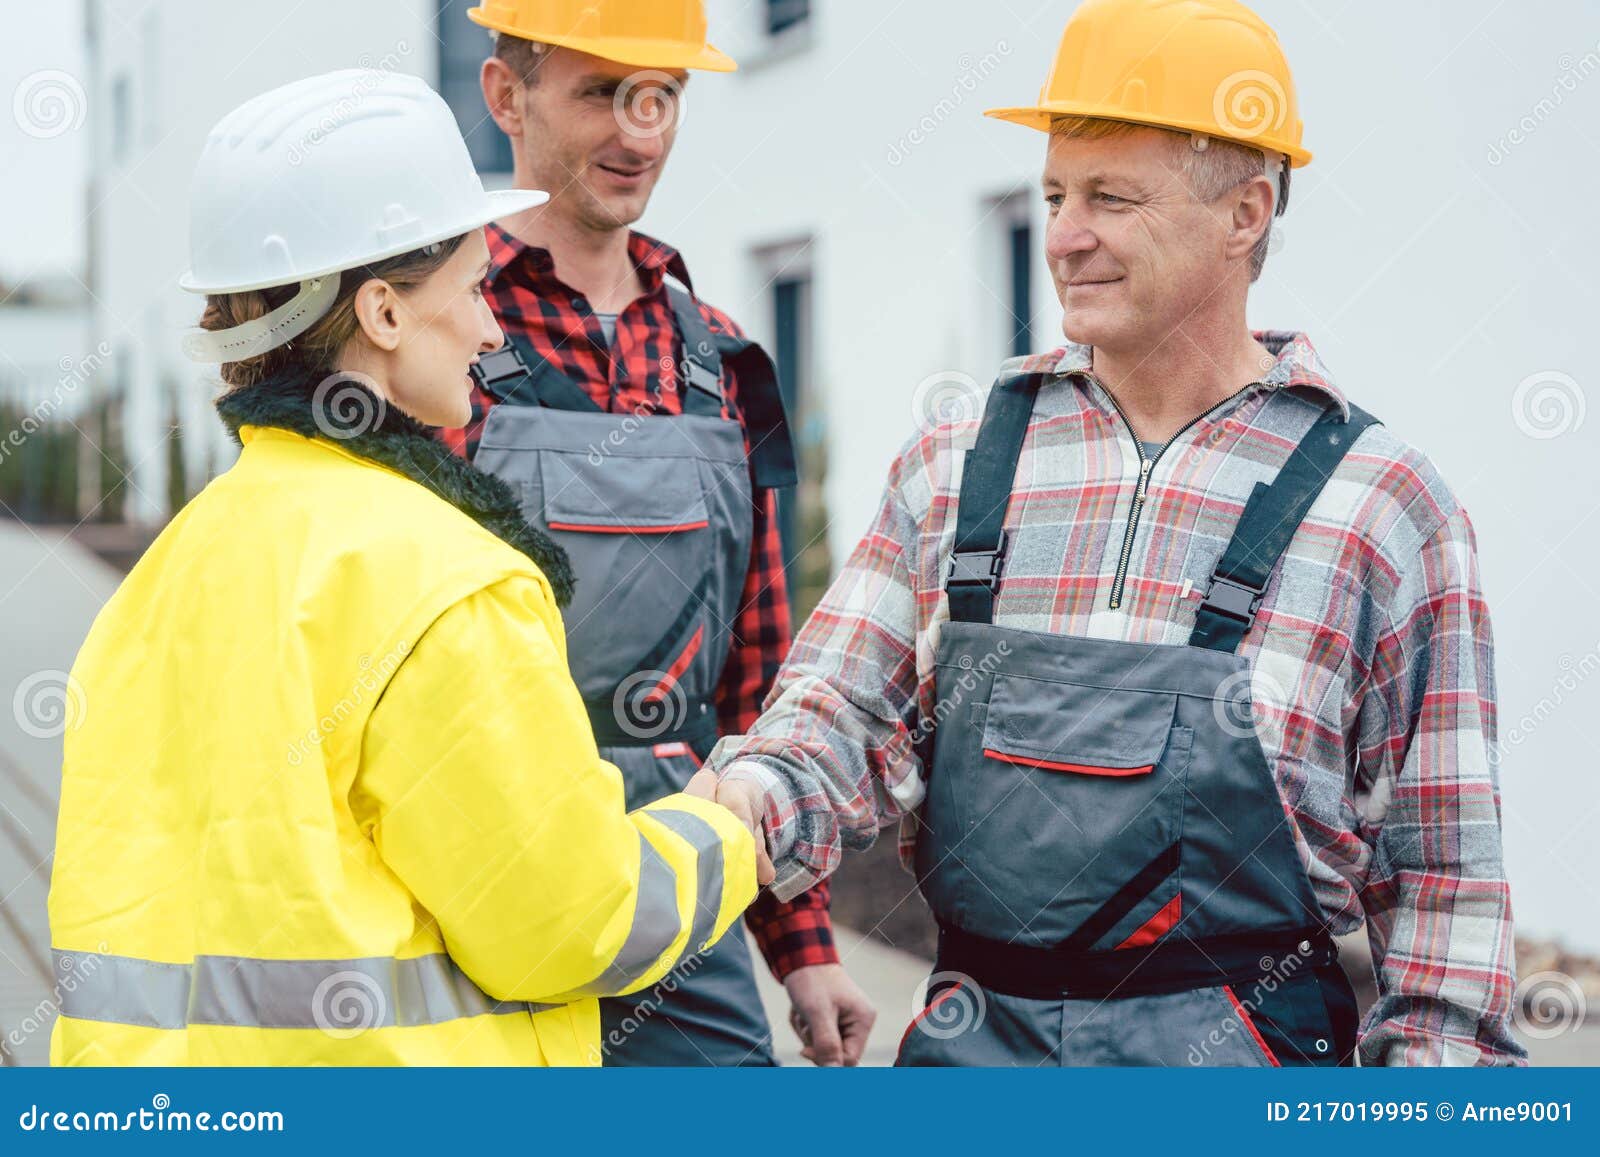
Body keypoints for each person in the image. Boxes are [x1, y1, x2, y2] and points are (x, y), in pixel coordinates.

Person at [710, 0, 1528, 1066]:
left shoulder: (1380, 511)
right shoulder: (957, 465)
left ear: (1244, 213)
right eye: (1052, 195)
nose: (1061, 235)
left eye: (1109, 197)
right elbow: (835, 718)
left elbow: (1444, 903)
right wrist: (738, 804)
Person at [47, 69, 758, 1067]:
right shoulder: (449, 580)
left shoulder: (168, 573)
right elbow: (568, 922)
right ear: (381, 313)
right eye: (471, 289)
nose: (490, 328)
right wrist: (724, 831)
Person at [445, 0, 874, 1065]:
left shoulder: (724, 362)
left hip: (676, 884)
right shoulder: (432, 341)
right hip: (469, 877)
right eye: (601, 92)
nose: (639, 133)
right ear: (506, 95)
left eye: (663, 97)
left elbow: (762, 677)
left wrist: (802, 939)